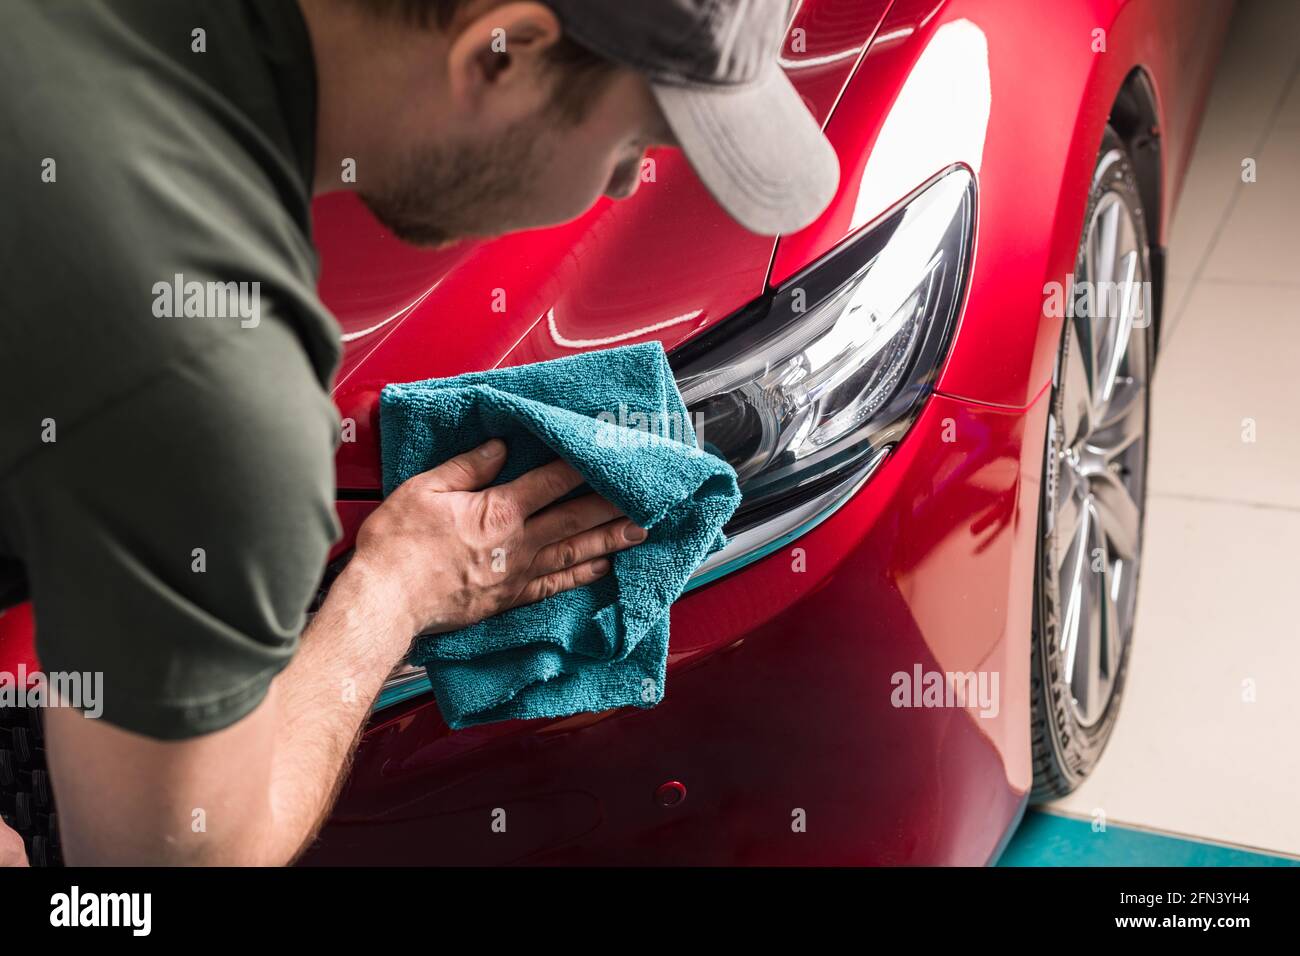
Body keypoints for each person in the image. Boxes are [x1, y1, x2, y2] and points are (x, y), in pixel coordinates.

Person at [0, 0, 838, 865]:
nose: (626, 186)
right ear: (499, 58)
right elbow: (170, 860)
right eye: (634, 145)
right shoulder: (211, 364)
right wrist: (393, 592)